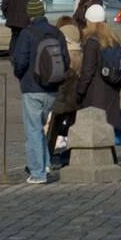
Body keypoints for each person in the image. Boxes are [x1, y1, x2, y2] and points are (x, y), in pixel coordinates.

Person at [10, 0, 69, 184]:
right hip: (53, 88)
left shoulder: (27, 34)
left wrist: (21, 76)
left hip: (32, 88)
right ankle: (46, 164)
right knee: (42, 128)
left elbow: (20, 62)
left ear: (30, 15)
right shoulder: (56, 33)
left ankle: (38, 173)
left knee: (34, 130)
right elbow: (65, 61)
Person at [77, 5, 121, 146]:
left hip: (95, 92)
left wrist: (80, 91)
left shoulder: (92, 42)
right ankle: (110, 158)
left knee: (95, 130)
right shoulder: (113, 39)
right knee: (107, 128)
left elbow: (88, 71)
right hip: (111, 89)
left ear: (89, 22)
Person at [47, 16, 84, 166]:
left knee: (52, 131)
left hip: (61, 99)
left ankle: (47, 157)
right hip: (76, 100)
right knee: (72, 127)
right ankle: (70, 154)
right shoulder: (81, 53)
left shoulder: (60, 54)